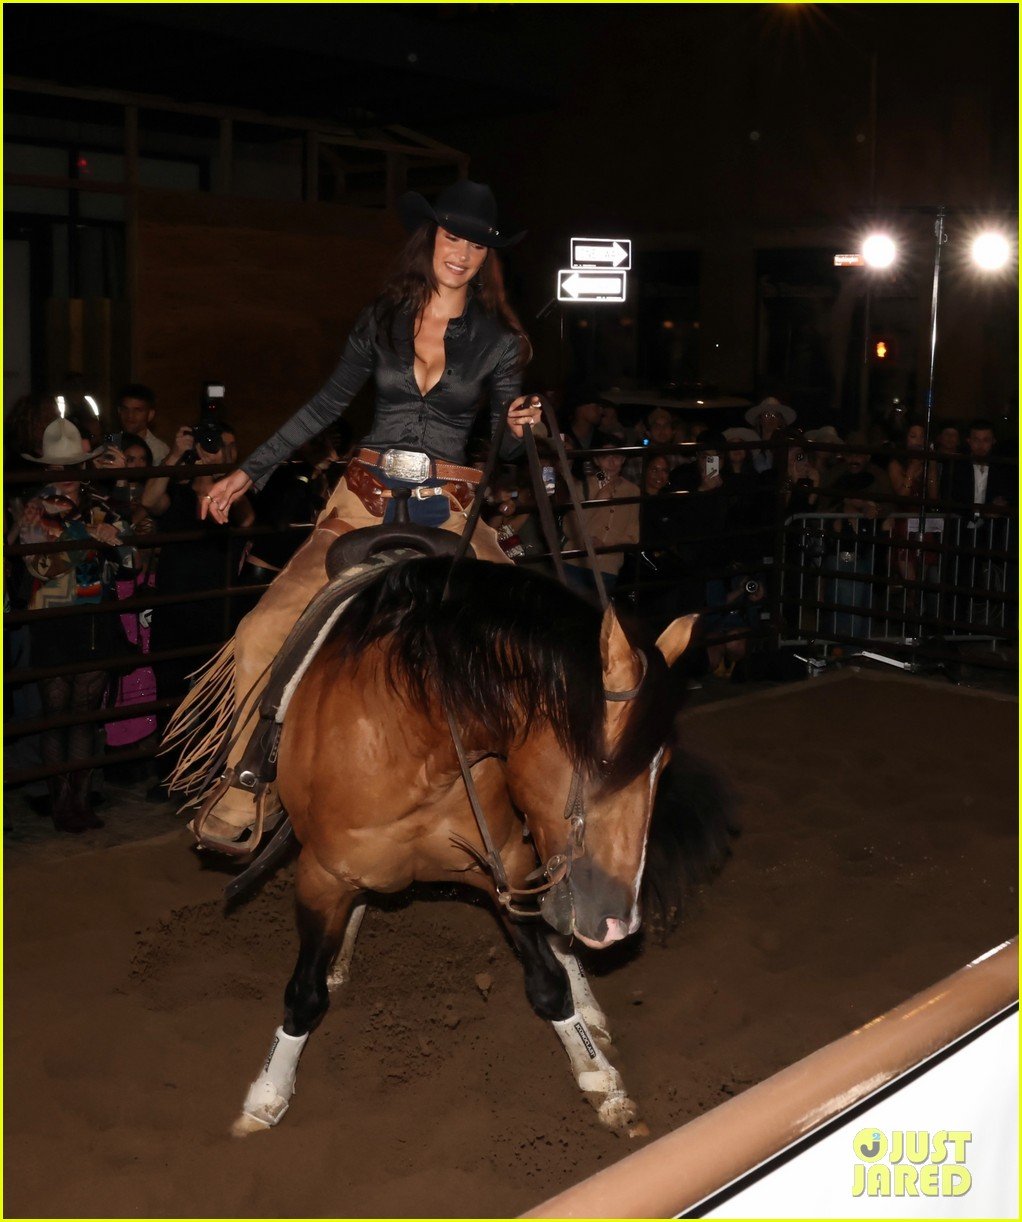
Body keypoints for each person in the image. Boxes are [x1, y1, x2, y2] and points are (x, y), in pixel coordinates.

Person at [181, 180, 542, 845]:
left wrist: (521, 425)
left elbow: (502, 442)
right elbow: (324, 407)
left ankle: (547, 805)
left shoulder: (499, 342)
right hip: (364, 496)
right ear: (430, 239)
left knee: (522, 636)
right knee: (263, 630)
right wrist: (246, 471)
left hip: (454, 503)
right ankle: (245, 782)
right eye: (451, 237)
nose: (460, 254)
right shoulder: (380, 318)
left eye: (476, 244)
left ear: (490, 257)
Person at [18, 414, 126, 832]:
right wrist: (88, 538)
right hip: (53, 618)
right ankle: (61, 800)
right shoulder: (34, 506)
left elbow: (129, 547)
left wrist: (115, 511)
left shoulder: (97, 500)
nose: (63, 476)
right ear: (46, 467)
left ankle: (80, 800)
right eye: (55, 467)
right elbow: (41, 565)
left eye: (70, 467)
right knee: (55, 710)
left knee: (83, 712)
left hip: (93, 619)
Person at [562, 435, 640, 602]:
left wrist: (606, 545)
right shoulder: (582, 486)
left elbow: (633, 534)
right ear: (597, 460)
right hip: (576, 562)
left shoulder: (632, 490)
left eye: (617, 456)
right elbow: (569, 527)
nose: (611, 462)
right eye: (605, 456)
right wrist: (598, 500)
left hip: (608, 567)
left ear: (623, 459)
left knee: (597, 618)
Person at [112, 384, 170, 465]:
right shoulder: (112, 443)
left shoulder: (158, 450)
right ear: (119, 411)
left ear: (150, 414)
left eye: (138, 410)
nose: (130, 415)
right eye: (125, 409)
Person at [745, 396, 796, 473]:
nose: (771, 418)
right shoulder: (751, 443)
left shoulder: (786, 442)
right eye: (767, 415)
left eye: (775, 415)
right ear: (760, 420)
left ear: (780, 420)